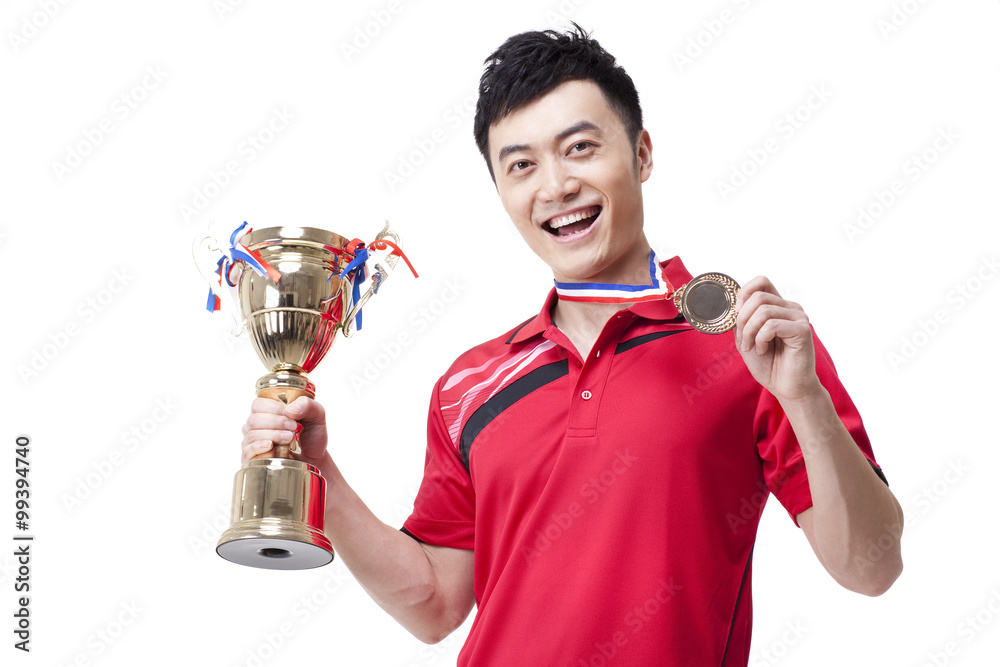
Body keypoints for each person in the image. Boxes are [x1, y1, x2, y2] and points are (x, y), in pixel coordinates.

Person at [240, 24, 903, 666]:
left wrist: (805, 397)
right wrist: (319, 469)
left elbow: (871, 567)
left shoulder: (754, 345)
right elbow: (434, 603)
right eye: (521, 164)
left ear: (642, 153)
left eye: (580, 148)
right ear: (501, 190)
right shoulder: (470, 383)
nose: (555, 186)